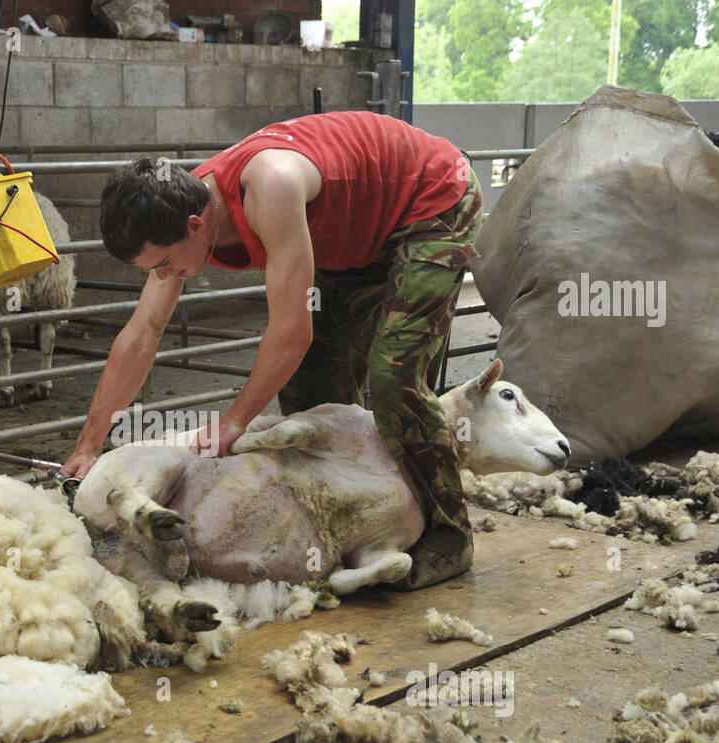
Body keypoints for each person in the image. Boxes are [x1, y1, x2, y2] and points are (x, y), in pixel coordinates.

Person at [60, 110, 483, 590]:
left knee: (394, 377)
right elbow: (141, 335)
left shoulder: (271, 187)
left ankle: (451, 537)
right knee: (311, 389)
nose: (162, 276)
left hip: (430, 200)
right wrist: (89, 444)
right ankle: (366, 513)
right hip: (352, 231)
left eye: (162, 264)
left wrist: (235, 419)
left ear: (196, 226)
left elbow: (290, 332)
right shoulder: (179, 210)